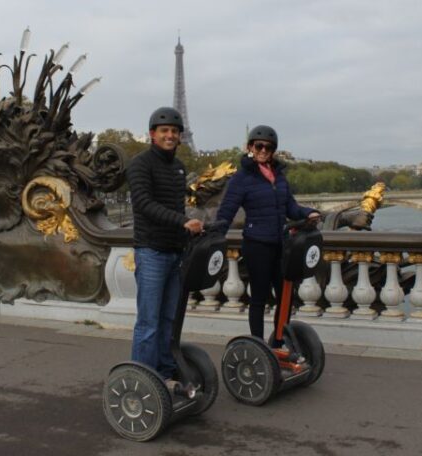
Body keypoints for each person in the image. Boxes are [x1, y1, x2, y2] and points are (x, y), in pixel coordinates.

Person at [215, 125, 320, 347]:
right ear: (250, 147)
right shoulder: (241, 178)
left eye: (269, 147)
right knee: (259, 299)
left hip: (281, 245)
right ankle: (258, 346)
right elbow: (226, 212)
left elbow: (290, 206)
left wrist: (307, 213)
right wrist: (213, 238)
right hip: (256, 246)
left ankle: (278, 343)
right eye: (259, 146)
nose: (264, 150)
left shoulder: (279, 177)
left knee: (285, 298)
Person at [127, 106, 203, 388]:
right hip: (151, 251)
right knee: (149, 323)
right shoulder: (140, 164)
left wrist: (193, 227)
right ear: (152, 134)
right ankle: (143, 380)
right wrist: (183, 221)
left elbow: (175, 205)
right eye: (165, 131)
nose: (170, 135)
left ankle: (166, 374)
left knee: (169, 320)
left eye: (174, 131)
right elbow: (145, 205)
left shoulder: (179, 167)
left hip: (175, 252)